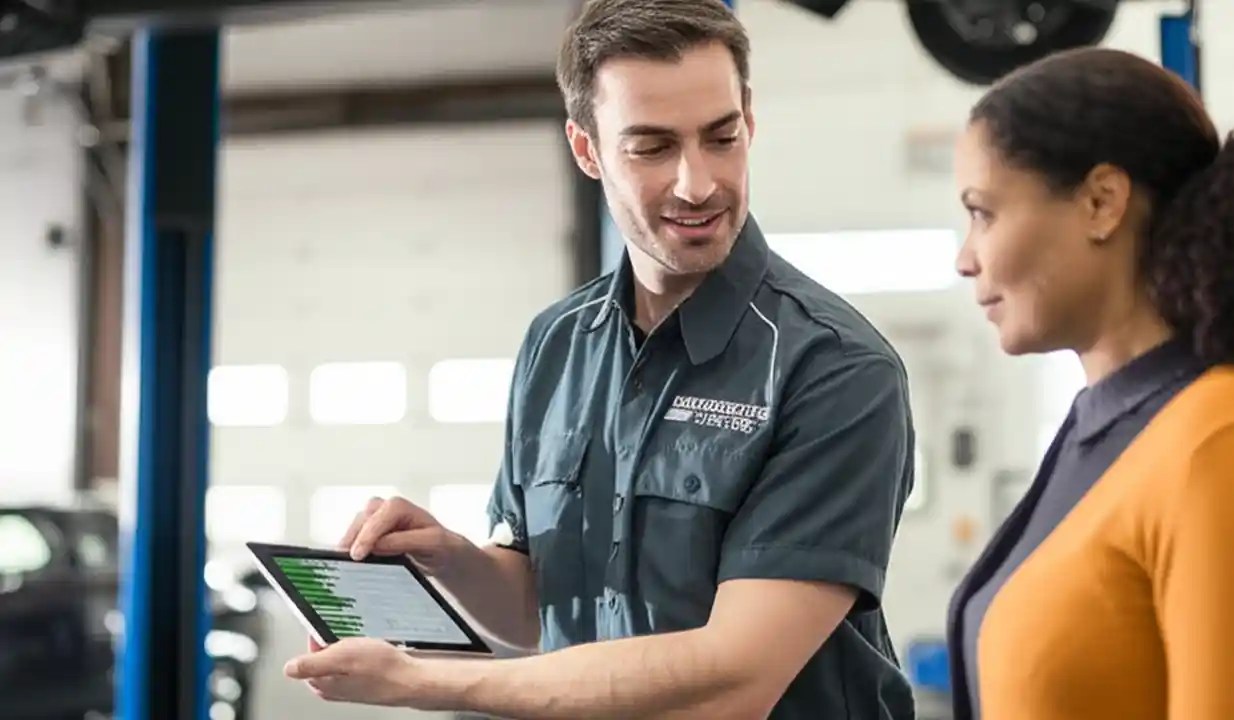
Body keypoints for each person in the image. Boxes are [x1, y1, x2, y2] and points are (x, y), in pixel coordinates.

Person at [283, 0, 918, 717]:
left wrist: (424, 682)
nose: (697, 183)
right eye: (652, 147)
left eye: (721, 137)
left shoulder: (834, 369)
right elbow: (541, 609)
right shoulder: (556, 344)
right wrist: (452, 561)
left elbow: (734, 683)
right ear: (586, 150)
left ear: (750, 119)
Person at [946, 46, 1234, 720]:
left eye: (984, 213)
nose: (965, 258)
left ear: (1102, 202)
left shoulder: (1225, 435)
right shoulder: (1106, 425)